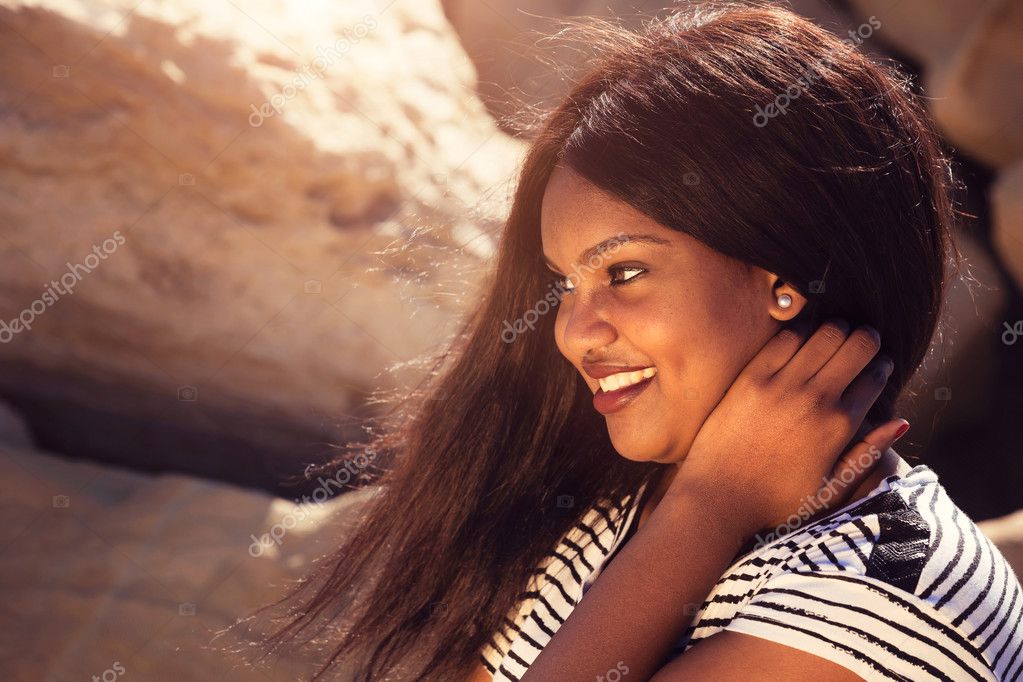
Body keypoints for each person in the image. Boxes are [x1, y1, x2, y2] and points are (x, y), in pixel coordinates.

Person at [254, 3, 1023, 680]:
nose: (572, 333)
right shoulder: (611, 509)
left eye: (623, 272)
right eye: (562, 284)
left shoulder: (887, 594)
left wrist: (712, 507)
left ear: (786, 277)